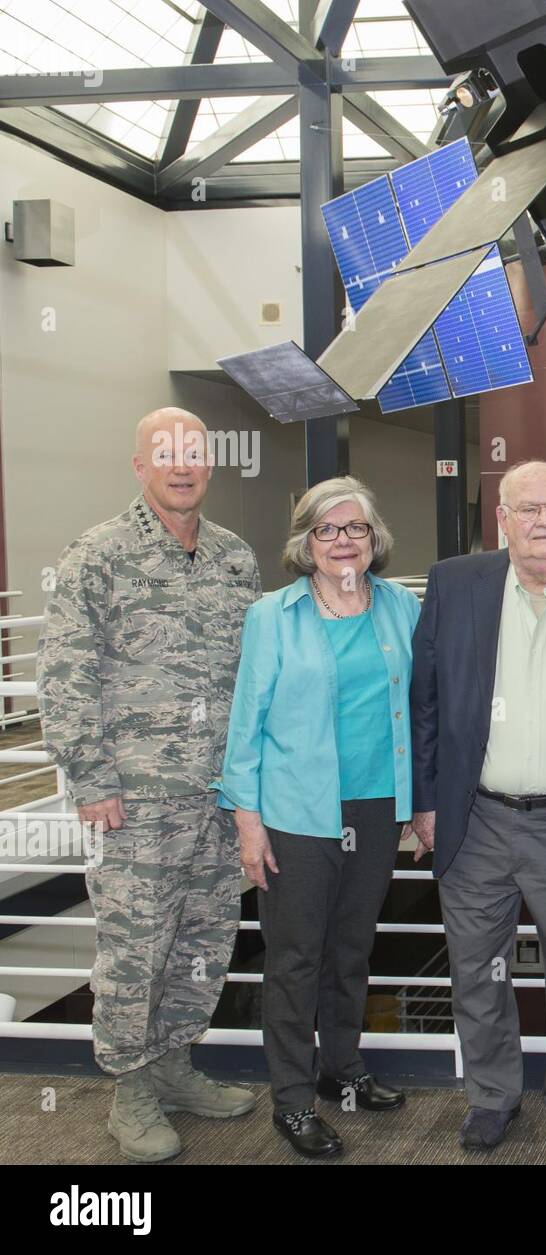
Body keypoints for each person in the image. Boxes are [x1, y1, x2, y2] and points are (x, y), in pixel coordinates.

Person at [37, 408, 262, 1162]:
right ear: (139, 465)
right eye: (164, 452)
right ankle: (130, 1086)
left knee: (204, 940)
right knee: (135, 949)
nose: (181, 464)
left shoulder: (236, 559)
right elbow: (65, 676)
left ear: (210, 463)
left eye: (194, 452)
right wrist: (92, 777)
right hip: (134, 802)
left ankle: (173, 1063)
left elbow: (254, 680)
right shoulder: (98, 554)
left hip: (218, 799)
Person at [409, 461, 546, 1152]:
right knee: (477, 966)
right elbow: (424, 700)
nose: (544, 521)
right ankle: (492, 1094)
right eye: (527, 509)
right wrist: (425, 800)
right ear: (500, 518)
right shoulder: (454, 583)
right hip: (474, 819)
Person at [217, 476, 421, 1159]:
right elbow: (245, 725)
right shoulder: (272, 617)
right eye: (327, 530)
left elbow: (420, 709)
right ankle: (293, 1101)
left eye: (354, 528)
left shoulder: (400, 608)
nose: (342, 540)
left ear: (374, 538)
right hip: (296, 814)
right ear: (306, 541)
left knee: (352, 949)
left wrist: (419, 803)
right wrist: (248, 820)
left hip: (375, 805)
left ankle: (344, 1071)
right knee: (296, 959)